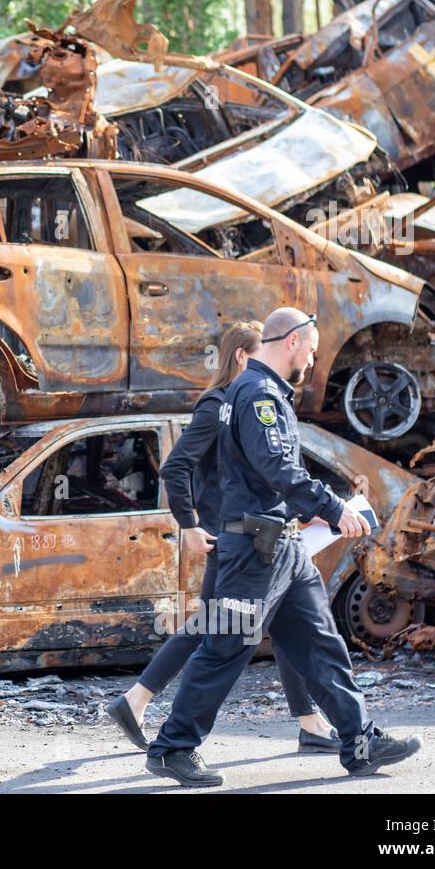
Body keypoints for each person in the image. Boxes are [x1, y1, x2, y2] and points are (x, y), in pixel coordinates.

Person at [144, 307, 422, 787]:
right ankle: (173, 747)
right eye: (311, 350)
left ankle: (360, 741)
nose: (313, 361)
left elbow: (273, 475)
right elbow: (279, 470)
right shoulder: (258, 395)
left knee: (321, 645)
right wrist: (337, 509)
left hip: (283, 546)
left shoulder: (252, 391)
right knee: (226, 644)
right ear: (292, 341)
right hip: (255, 549)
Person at [105, 322, 338, 754]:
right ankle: (152, 718)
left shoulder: (248, 401)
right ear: (243, 358)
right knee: (221, 630)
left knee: (267, 624)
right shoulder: (223, 405)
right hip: (232, 539)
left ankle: (309, 720)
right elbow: (176, 467)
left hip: (256, 536)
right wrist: (189, 523)